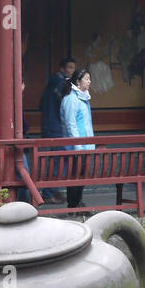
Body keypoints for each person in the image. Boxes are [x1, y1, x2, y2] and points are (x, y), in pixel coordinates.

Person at [39, 57, 77, 201]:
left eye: (73, 68)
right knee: (59, 160)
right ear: (63, 69)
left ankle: (53, 190)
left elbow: (41, 104)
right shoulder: (61, 84)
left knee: (59, 160)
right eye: (70, 67)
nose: (72, 71)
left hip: (50, 126)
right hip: (56, 128)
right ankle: (49, 192)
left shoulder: (53, 83)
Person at [61, 68, 94, 211]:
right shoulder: (70, 99)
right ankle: (73, 205)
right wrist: (78, 146)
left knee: (81, 177)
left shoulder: (83, 98)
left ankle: (77, 203)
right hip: (76, 147)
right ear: (78, 81)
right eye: (87, 79)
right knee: (75, 177)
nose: (89, 81)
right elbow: (71, 124)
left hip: (85, 145)